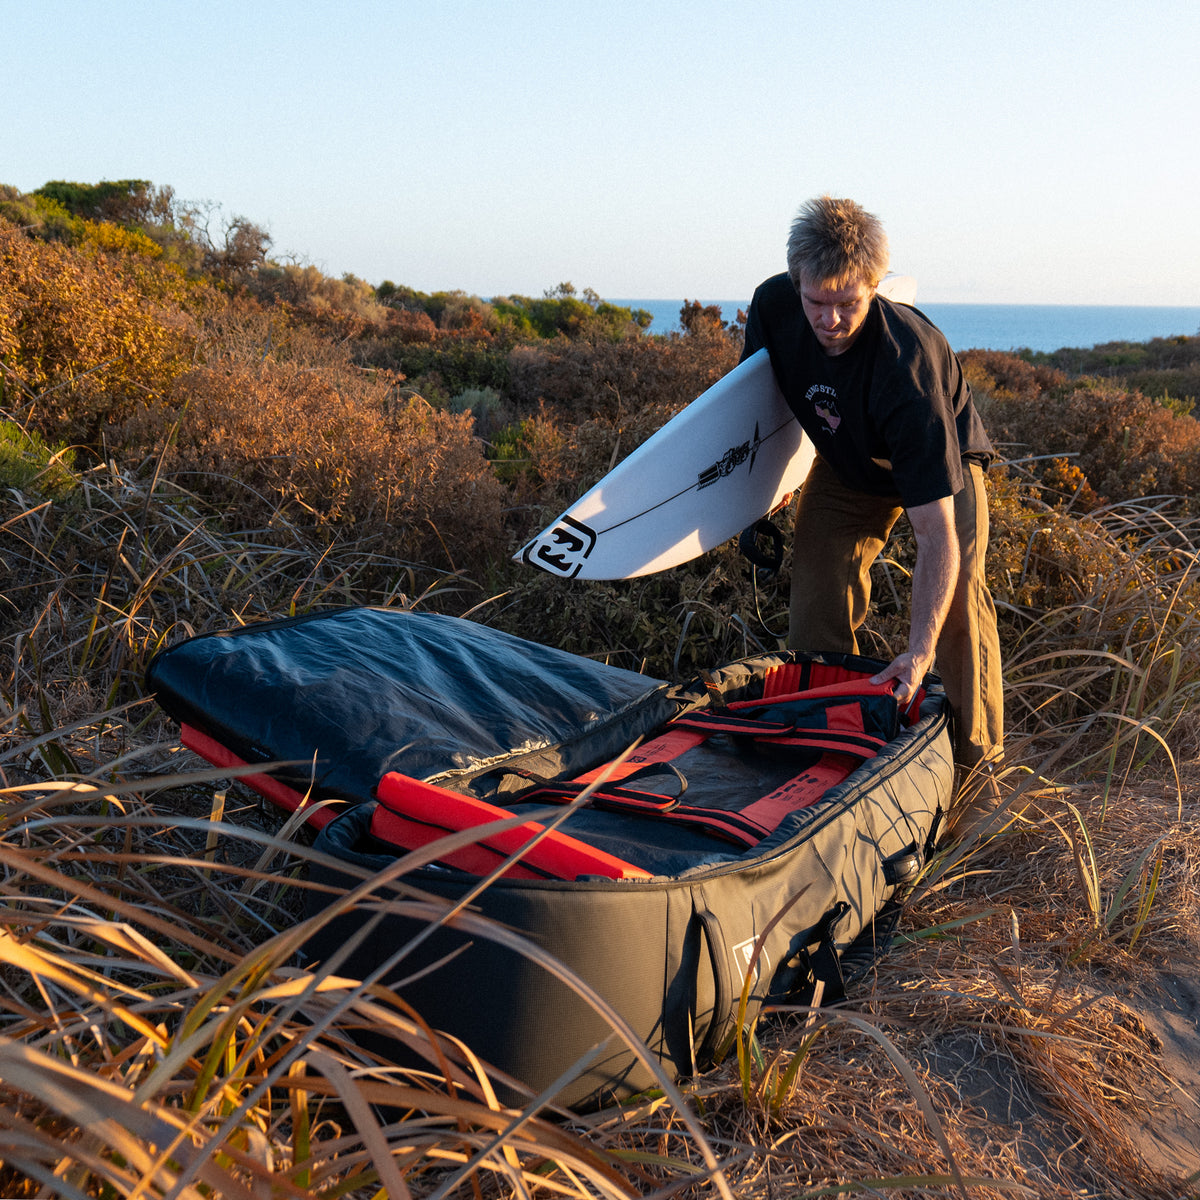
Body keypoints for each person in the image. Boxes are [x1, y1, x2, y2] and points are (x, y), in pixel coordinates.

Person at [741, 195, 1003, 785]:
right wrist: (759, 496)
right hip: (847, 458)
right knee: (816, 587)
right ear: (795, 282)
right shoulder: (773, 306)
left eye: (849, 304)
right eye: (817, 302)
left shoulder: (904, 367)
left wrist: (917, 651)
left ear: (874, 286)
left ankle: (976, 769)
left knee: (958, 597)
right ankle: (829, 740)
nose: (831, 320)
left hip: (941, 462)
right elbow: (762, 409)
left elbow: (934, 534)